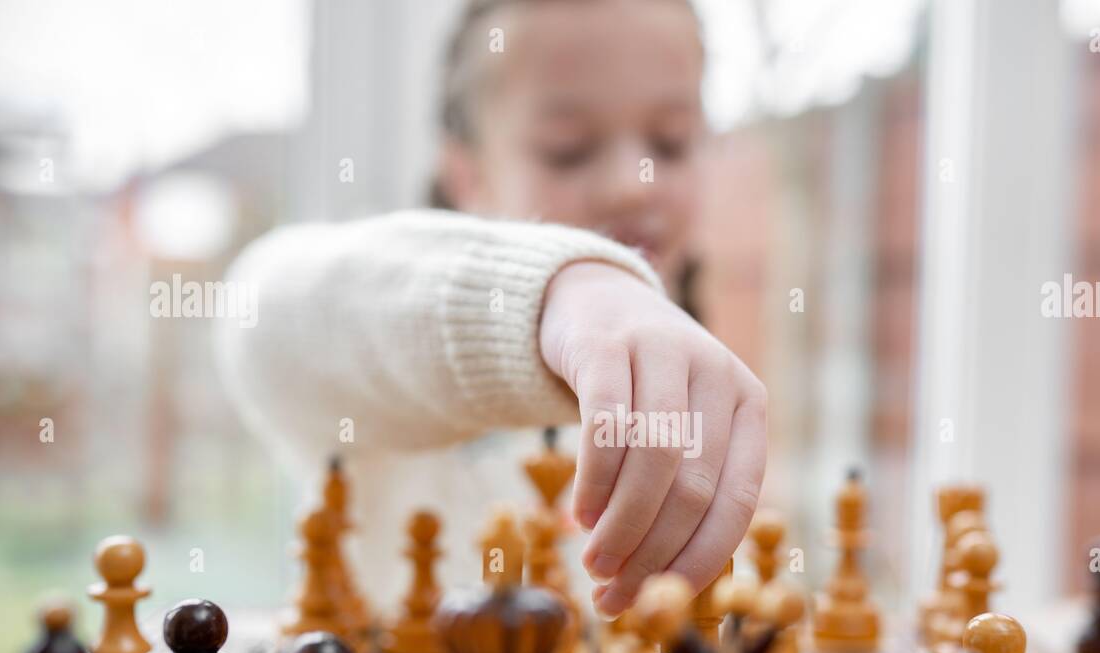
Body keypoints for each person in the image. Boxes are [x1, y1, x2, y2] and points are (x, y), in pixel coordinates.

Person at [215, 0, 766, 620]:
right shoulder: (386, 370)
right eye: (568, 150)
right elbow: (262, 309)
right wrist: (562, 287)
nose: (633, 183)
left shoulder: (713, 402)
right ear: (466, 175)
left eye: (670, 143)